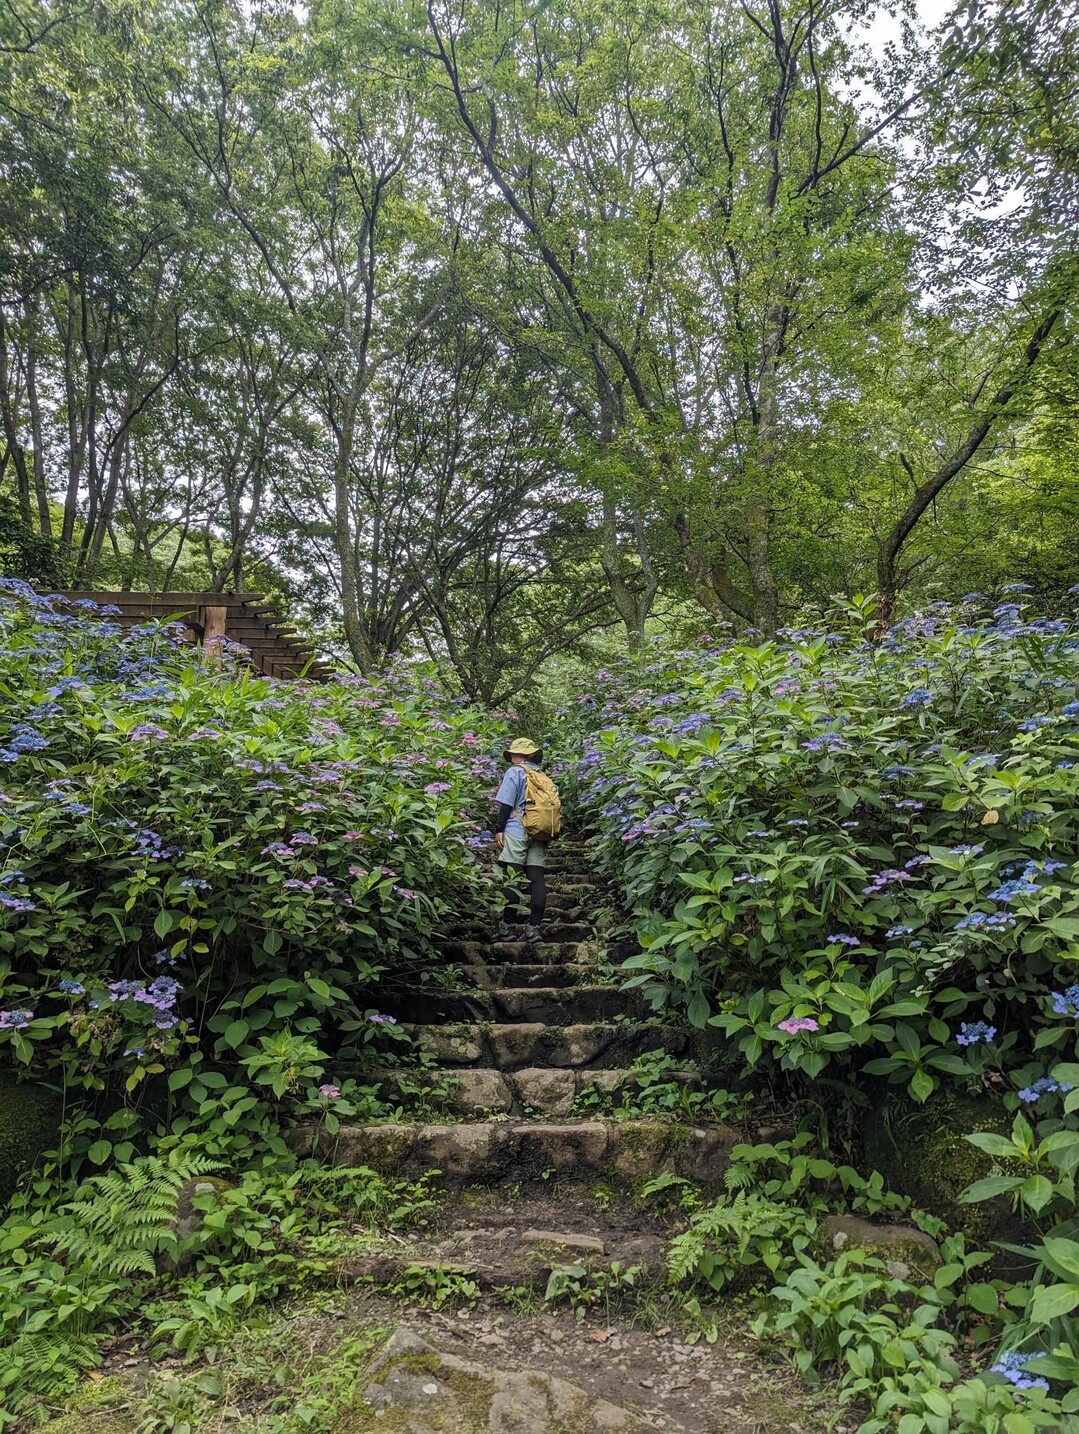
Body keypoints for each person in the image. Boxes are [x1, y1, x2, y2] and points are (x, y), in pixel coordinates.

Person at [491, 736, 554, 943]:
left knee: (513, 878)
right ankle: (533, 929)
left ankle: (507, 928)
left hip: (517, 829)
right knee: (537, 879)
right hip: (539, 832)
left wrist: (499, 828)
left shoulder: (515, 772)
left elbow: (507, 803)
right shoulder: (542, 776)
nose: (512, 759)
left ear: (522, 756)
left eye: (514, 755)